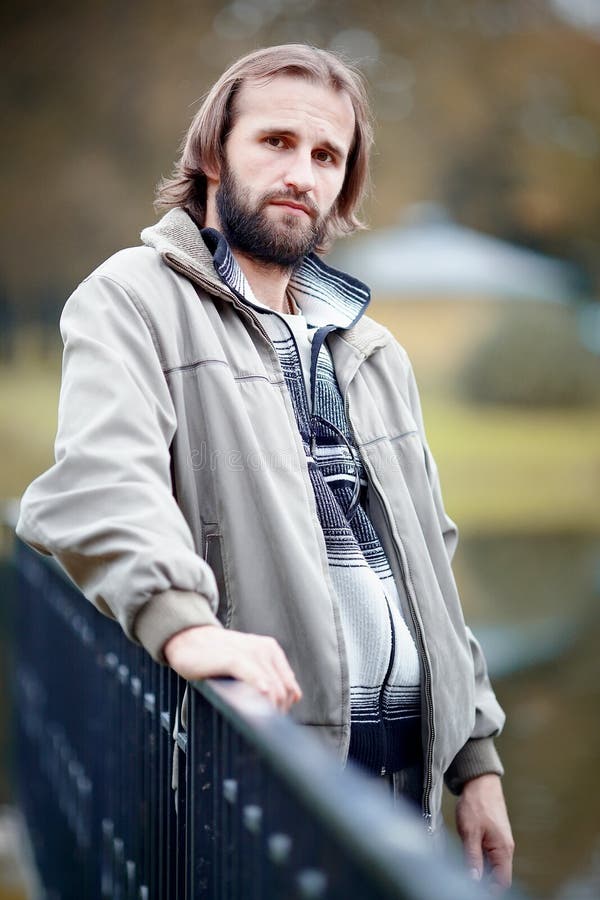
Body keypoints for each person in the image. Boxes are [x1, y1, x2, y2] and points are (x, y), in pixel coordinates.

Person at [17, 44, 514, 890]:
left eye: (327, 156)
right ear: (213, 151)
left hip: (403, 791)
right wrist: (186, 622)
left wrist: (477, 759)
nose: (302, 173)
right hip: (259, 778)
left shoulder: (373, 348)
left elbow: (429, 555)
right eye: (275, 142)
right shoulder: (133, 296)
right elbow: (103, 484)